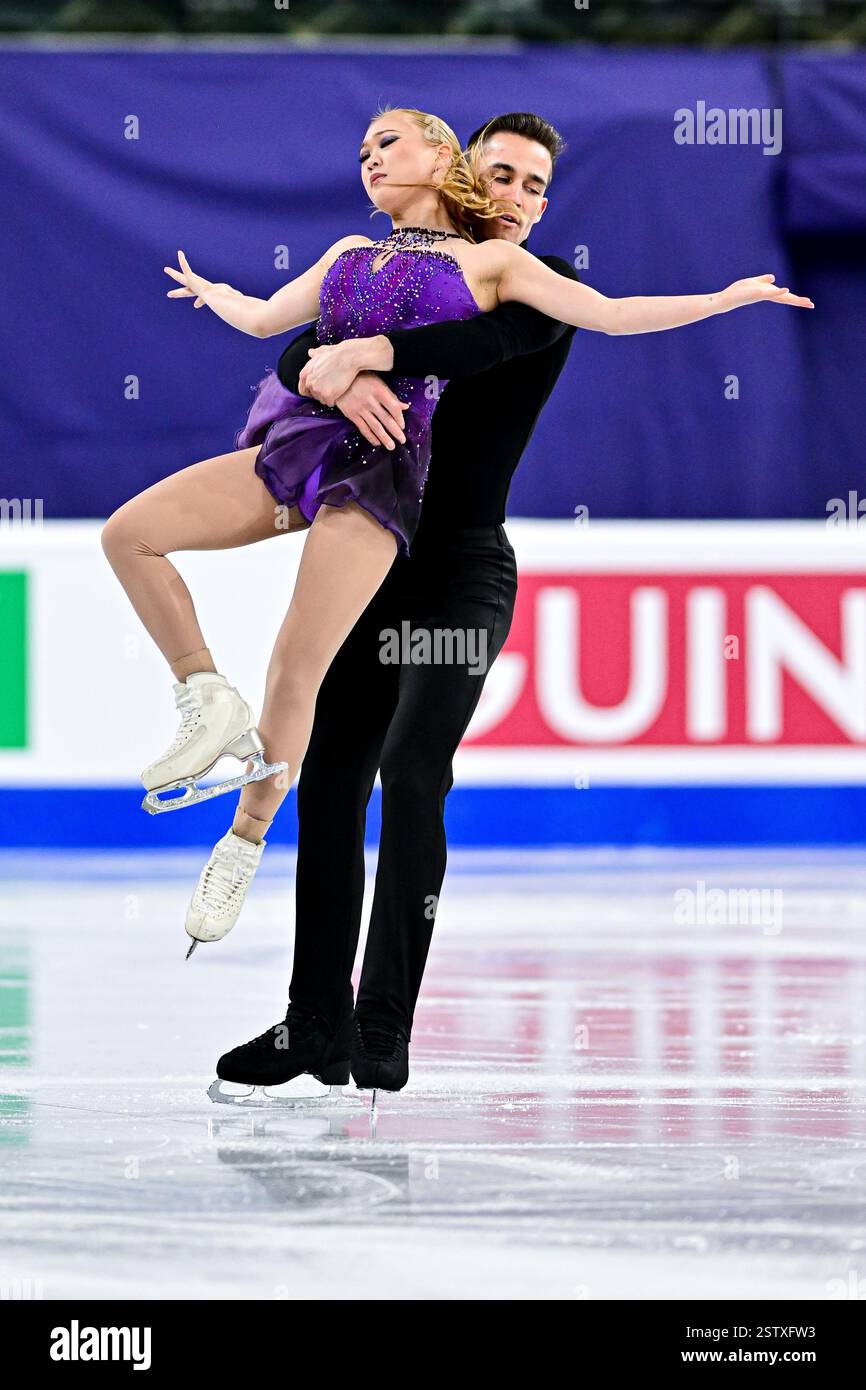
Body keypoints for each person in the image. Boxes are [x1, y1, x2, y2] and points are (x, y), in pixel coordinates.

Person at [101, 104, 811, 992]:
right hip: (305, 442)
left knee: (297, 665)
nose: (368, 159)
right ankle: (204, 695)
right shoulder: (347, 253)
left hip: (385, 480)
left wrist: (721, 299)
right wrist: (225, 300)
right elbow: (276, 333)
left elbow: (606, 314)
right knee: (130, 534)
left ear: (442, 156)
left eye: (386, 144)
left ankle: (244, 840)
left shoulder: (502, 269)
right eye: (363, 149)